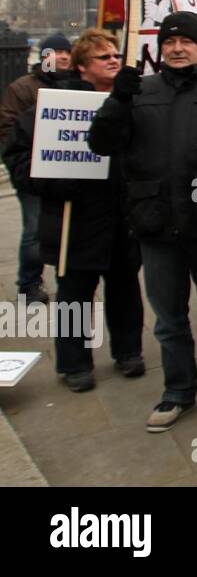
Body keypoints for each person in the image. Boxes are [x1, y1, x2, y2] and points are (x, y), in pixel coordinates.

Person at [87, 12, 197, 433]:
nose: (177, 48)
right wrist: (117, 101)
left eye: (186, 42)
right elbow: (101, 143)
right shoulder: (139, 91)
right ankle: (177, 391)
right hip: (156, 224)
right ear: (160, 48)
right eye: (170, 41)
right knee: (169, 319)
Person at [2, 30, 144, 392]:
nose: (113, 60)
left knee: (125, 288)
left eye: (115, 54)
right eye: (103, 57)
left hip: (121, 214)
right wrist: (52, 183)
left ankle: (128, 351)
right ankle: (74, 362)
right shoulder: (53, 106)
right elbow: (19, 158)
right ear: (82, 67)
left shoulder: (129, 101)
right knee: (75, 292)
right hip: (75, 216)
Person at [1, 33, 72, 304]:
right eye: (57, 52)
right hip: (32, 172)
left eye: (67, 52)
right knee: (33, 229)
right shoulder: (22, 88)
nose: (63, 56)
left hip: (64, 172)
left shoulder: (77, 84)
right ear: (45, 57)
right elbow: (8, 129)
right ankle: (28, 283)